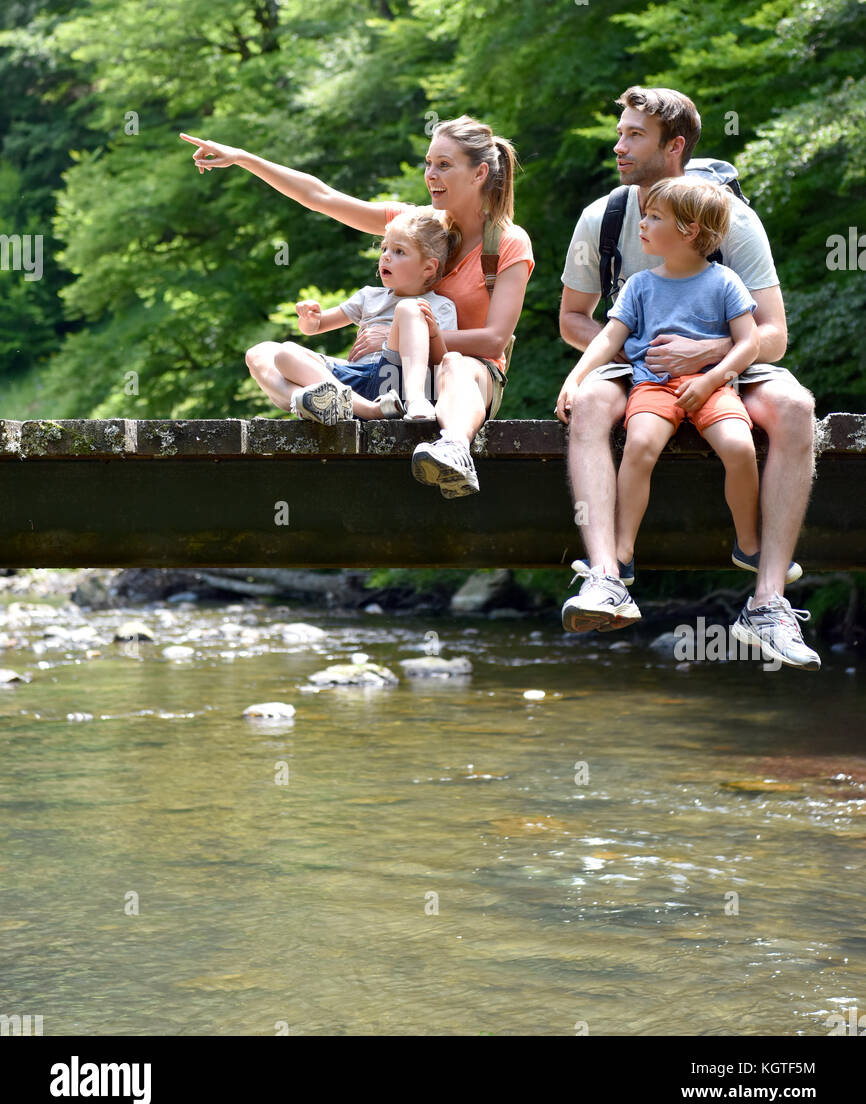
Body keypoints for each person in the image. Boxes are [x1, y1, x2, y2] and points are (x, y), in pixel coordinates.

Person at [555, 86, 820, 671]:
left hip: (729, 363)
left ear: (674, 146)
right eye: (619, 132)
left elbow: (772, 333)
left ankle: (769, 603)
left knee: (798, 408)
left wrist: (709, 352)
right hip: (635, 364)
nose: (618, 146)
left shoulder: (733, 221)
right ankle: (607, 578)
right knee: (594, 404)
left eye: (634, 136)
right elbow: (576, 319)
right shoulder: (604, 217)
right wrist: (632, 349)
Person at [179, 116, 534, 497]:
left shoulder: (509, 242)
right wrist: (244, 158)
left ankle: (454, 450)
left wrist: (405, 334)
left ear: (479, 172)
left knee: (455, 364)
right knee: (265, 354)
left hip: (462, 380)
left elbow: (495, 340)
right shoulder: (417, 225)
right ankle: (338, 404)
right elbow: (322, 197)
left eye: (444, 165)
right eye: (428, 163)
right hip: (390, 378)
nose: (430, 174)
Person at [561, 174, 764, 632]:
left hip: (713, 387)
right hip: (653, 387)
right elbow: (610, 337)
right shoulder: (638, 285)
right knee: (640, 446)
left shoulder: (725, 281)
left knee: (739, 447)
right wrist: (576, 377)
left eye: (655, 217)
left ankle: (749, 544)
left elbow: (748, 344)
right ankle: (622, 556)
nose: (642, 224)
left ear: (689, 230)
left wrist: (712, 379)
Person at [272, 208, 459, 424]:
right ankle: (350, 403)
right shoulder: (369, 296)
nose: (386, 256)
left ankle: (414, 400)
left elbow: (442, 363)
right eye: (384, 248)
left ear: (428, 268)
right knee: (284, 353)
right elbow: (315, 327)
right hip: (356, 379)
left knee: (409, 308)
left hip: (395, 377)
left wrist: (432, 334)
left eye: (399, 251)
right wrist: (310, 318)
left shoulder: (441, 306)